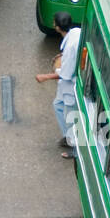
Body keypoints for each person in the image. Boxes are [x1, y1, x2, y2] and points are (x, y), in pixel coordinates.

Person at [35, 11, 81, 156]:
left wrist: (46, 76)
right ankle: (68, 137)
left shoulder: (69, 48)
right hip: (67, 86)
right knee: (58, 105)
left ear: (57, 27)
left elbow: (66, 75)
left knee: (70, 118)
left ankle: (75, 150)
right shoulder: (77, 32)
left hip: (70, 87)